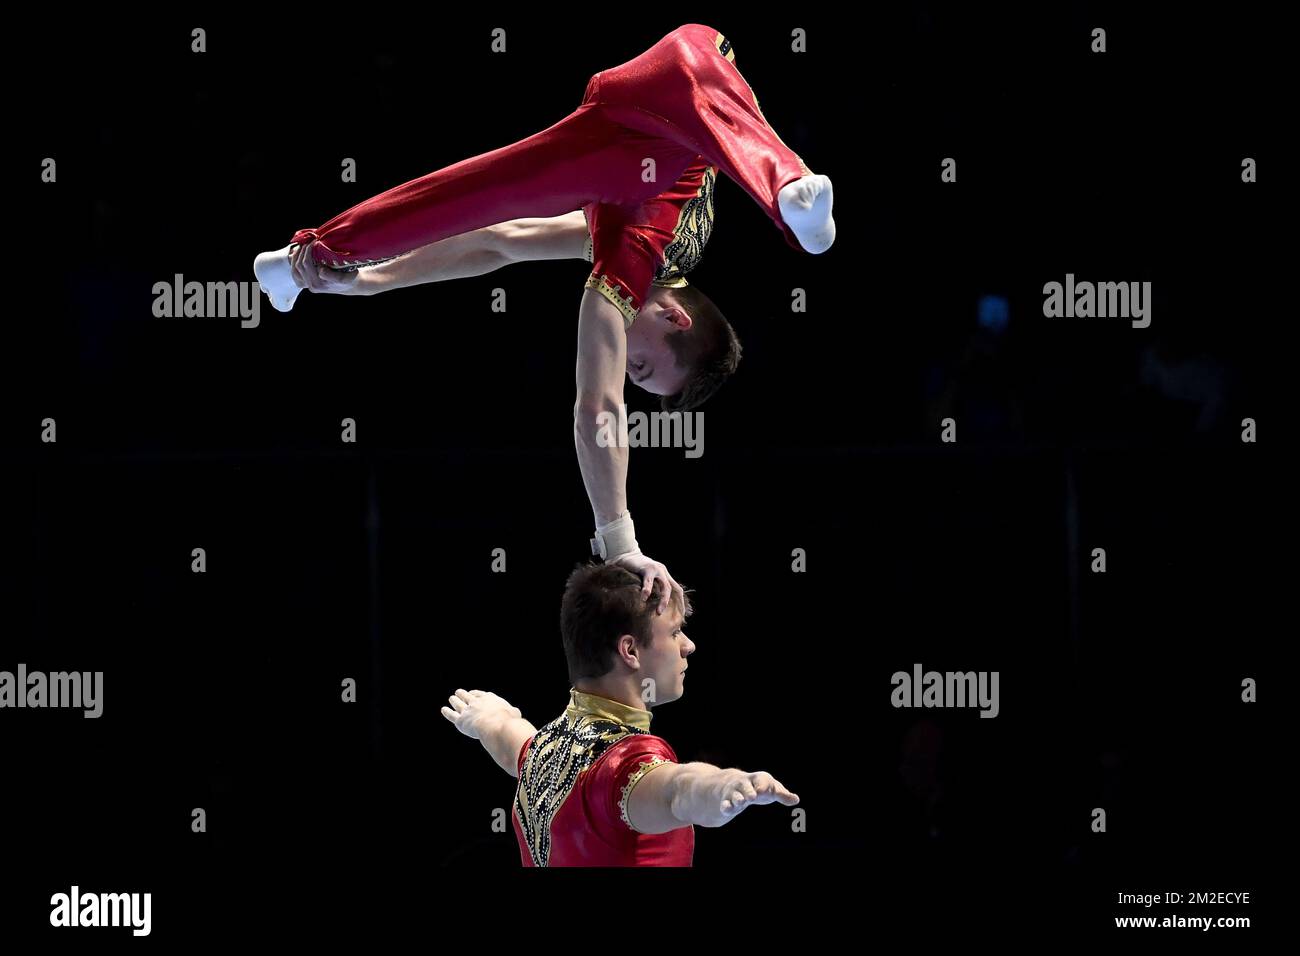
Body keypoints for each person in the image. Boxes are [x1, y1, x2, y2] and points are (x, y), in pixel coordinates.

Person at [255, 24, 835, 610]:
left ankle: (306, 259)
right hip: (692, 83)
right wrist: (620, 540)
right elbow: (598, 407)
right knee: (710, 122)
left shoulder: (632, 234)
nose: (622, 364)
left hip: (628, 123)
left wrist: (372, 281)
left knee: (483, 193)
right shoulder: (632, 266)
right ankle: (786, 187)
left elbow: (500, 243)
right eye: (640, 364)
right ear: (676, 318)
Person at [440, 562, 800, 866]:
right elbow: (678, 790)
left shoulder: (541, 749)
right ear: (629, 650)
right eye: (675, 632)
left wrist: (486, 719)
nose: (688, 646)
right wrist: (723, 785)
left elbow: (508, 734)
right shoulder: (625, 765)